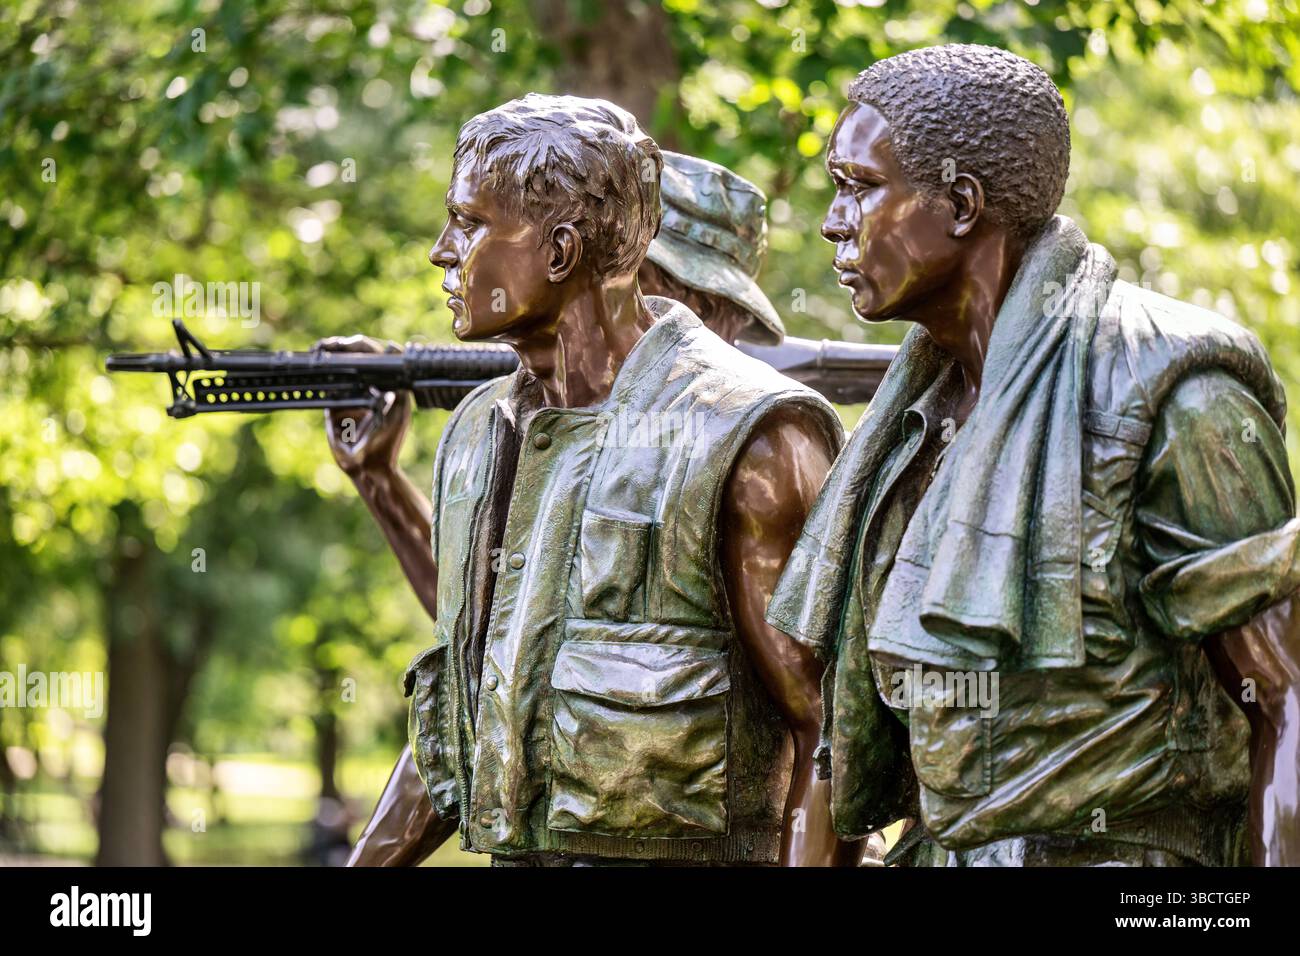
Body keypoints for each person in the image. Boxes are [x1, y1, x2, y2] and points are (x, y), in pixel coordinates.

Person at [766, 43, 1300, 866]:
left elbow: (1287, 703)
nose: (834, 221)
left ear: (962, 204)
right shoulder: (912, 423)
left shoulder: (1172, 388)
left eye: (858, 187)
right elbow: (844, 750)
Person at [326, 93, 859, 866]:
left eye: (469, 222)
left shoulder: (756, 438)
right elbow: (464, 715)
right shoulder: (480, 434)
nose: (442, 250)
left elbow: (831, 736)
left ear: (560, 249)